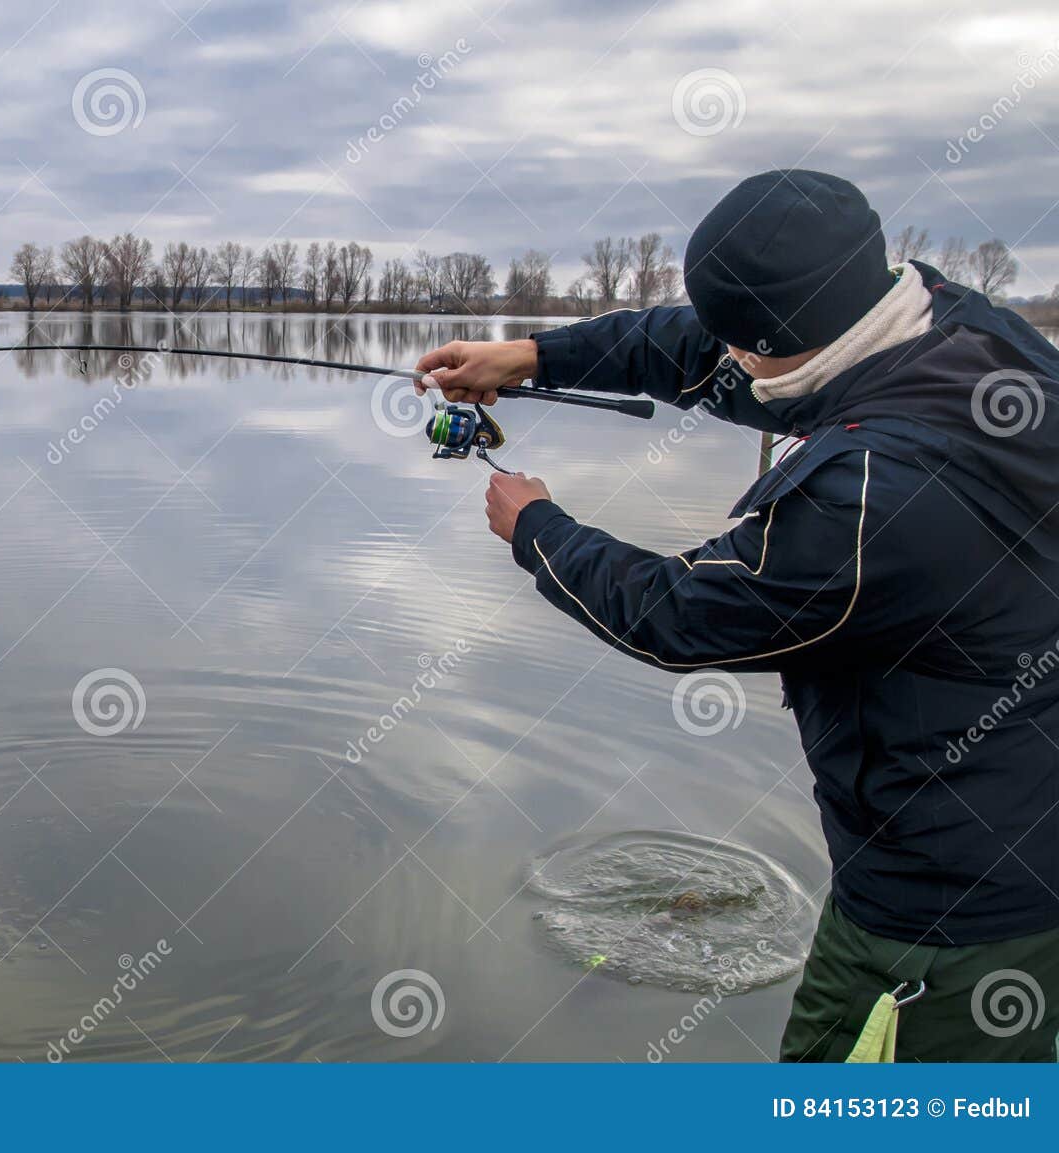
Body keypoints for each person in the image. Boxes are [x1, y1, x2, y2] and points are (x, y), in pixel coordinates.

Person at [417, 170, 1059, 1062]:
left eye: (745, 347)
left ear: (788, 340)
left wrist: (536, 528)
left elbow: (680, 614)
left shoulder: (871, 502)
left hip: (948, 914)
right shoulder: (949, 330)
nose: (728, 364)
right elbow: (703, 350)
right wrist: (532, 356)